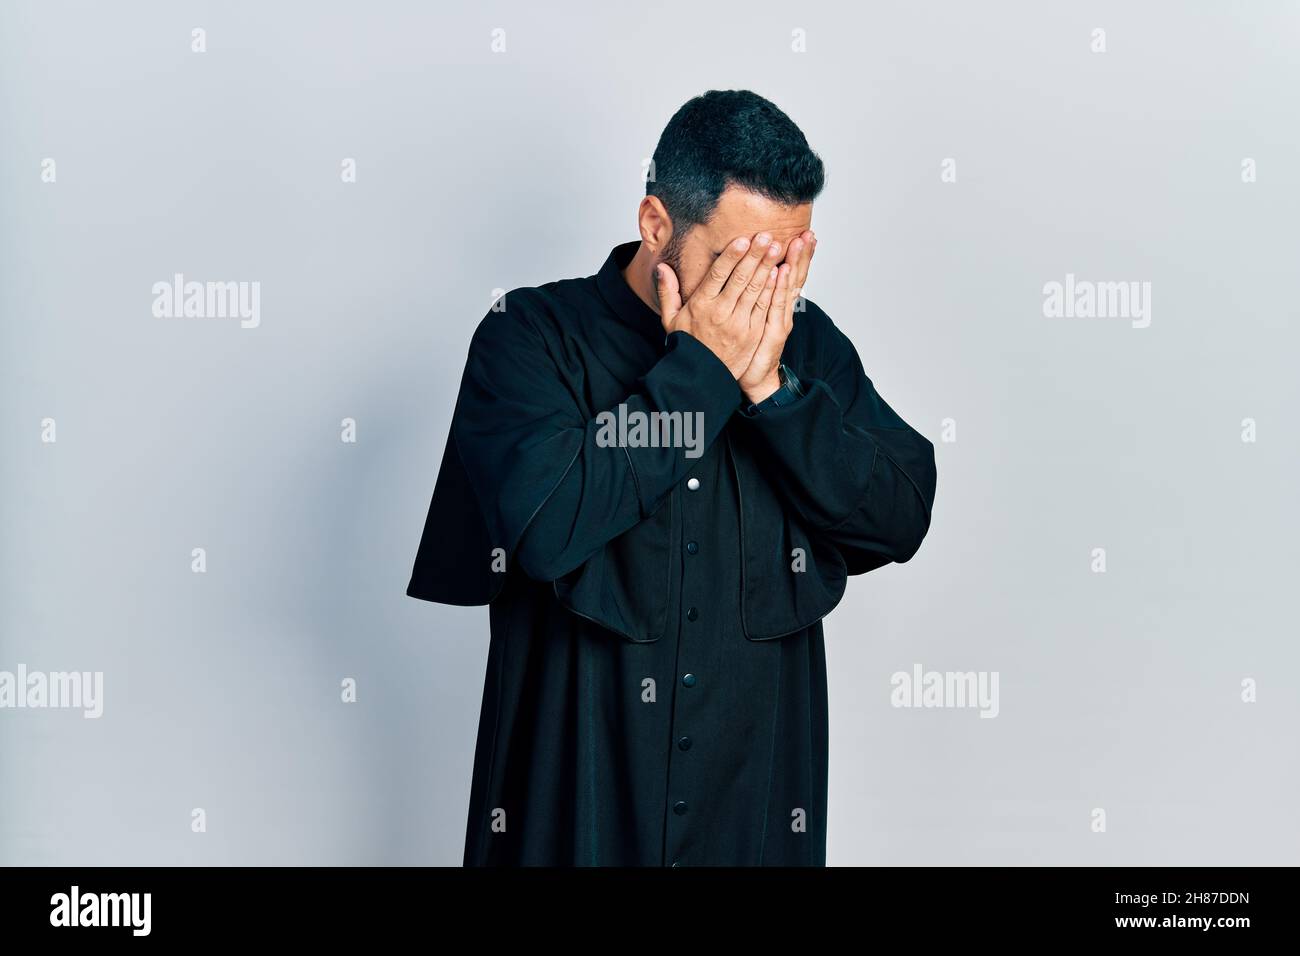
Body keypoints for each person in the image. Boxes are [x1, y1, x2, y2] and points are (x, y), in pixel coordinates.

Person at [407, 89, 937, 866]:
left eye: (787, 259)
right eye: (742, 259)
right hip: (572, 808)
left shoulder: (806, 345)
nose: (767, 289)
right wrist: (703, 374)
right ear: (657, 225)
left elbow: (901, 514)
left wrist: (773, 395)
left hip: (754, 815)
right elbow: (547, 525)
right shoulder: (527, 338)